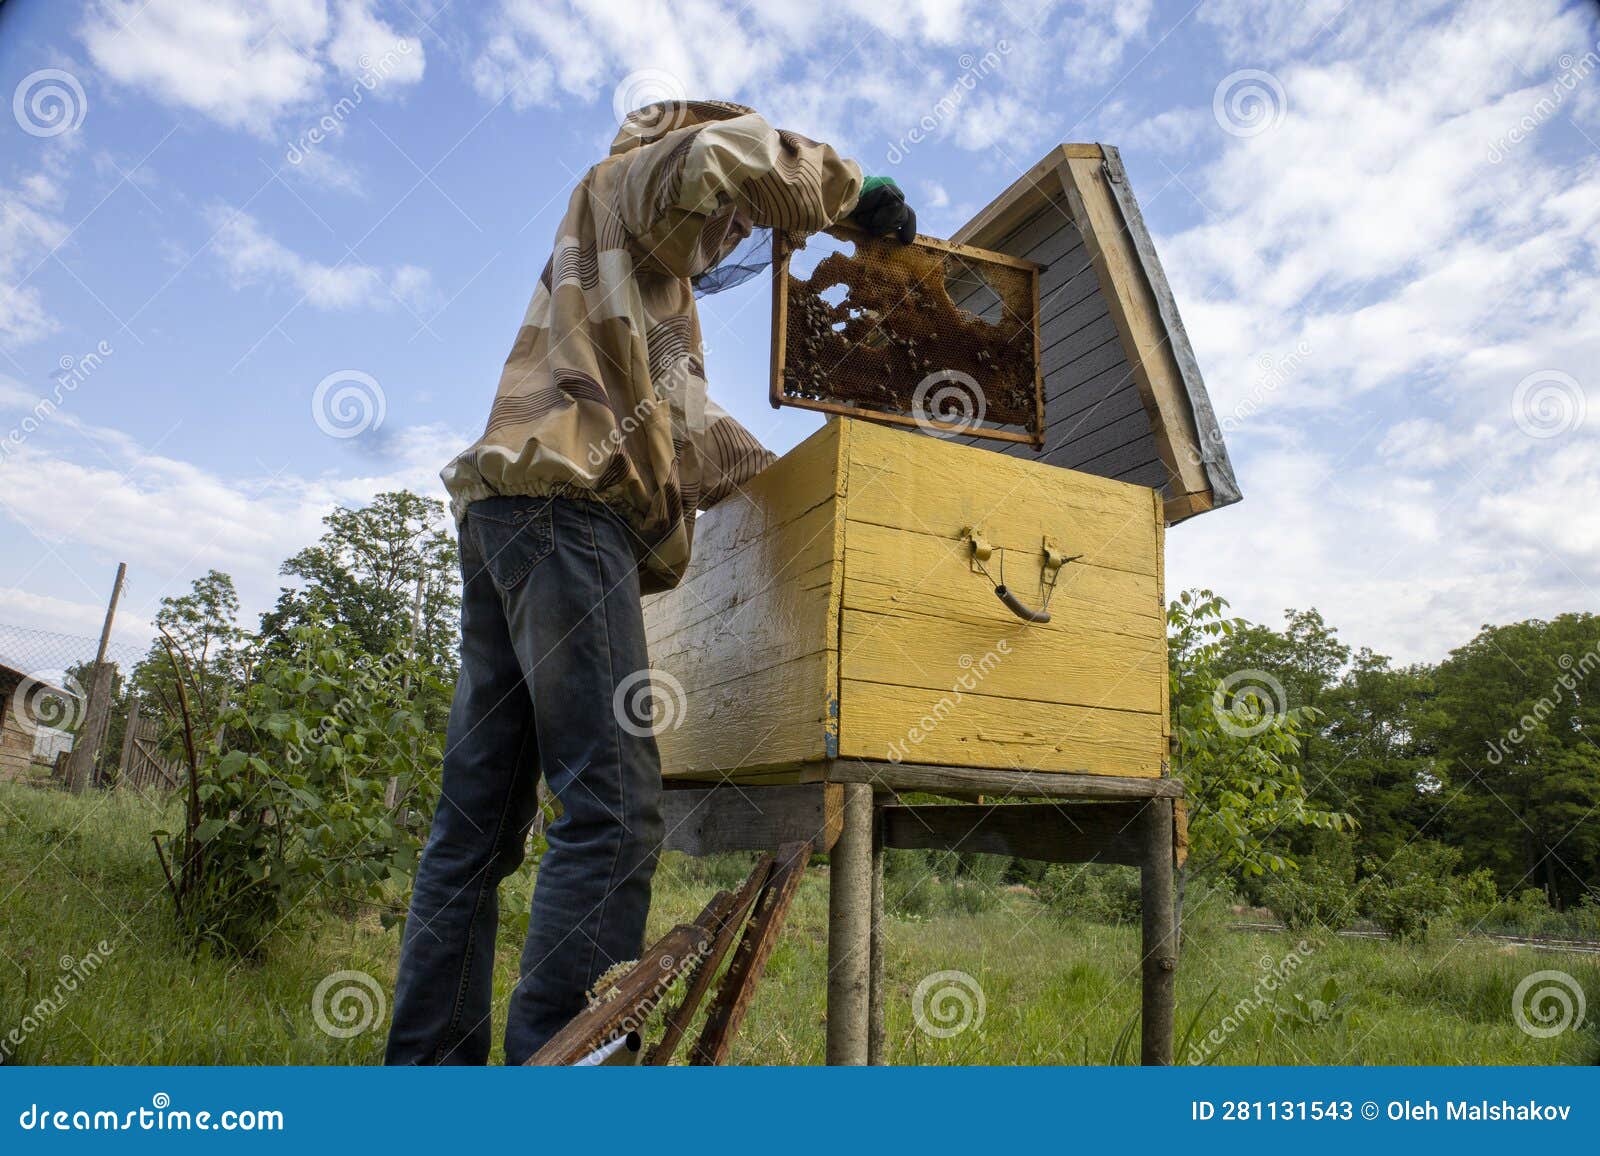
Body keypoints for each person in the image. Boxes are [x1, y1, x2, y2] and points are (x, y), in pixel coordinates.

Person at [385, 99, 915, 1065]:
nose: (735, 233)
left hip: (506, 519)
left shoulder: (648, 296)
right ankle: (566, 1075)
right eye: (738, 219)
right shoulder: (636, 176)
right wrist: (850, 197)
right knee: (617, 811)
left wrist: (815, 482)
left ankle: (428, 1085)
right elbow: (735, 151)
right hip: (568, 520)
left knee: (475, 833)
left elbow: (700, 443)